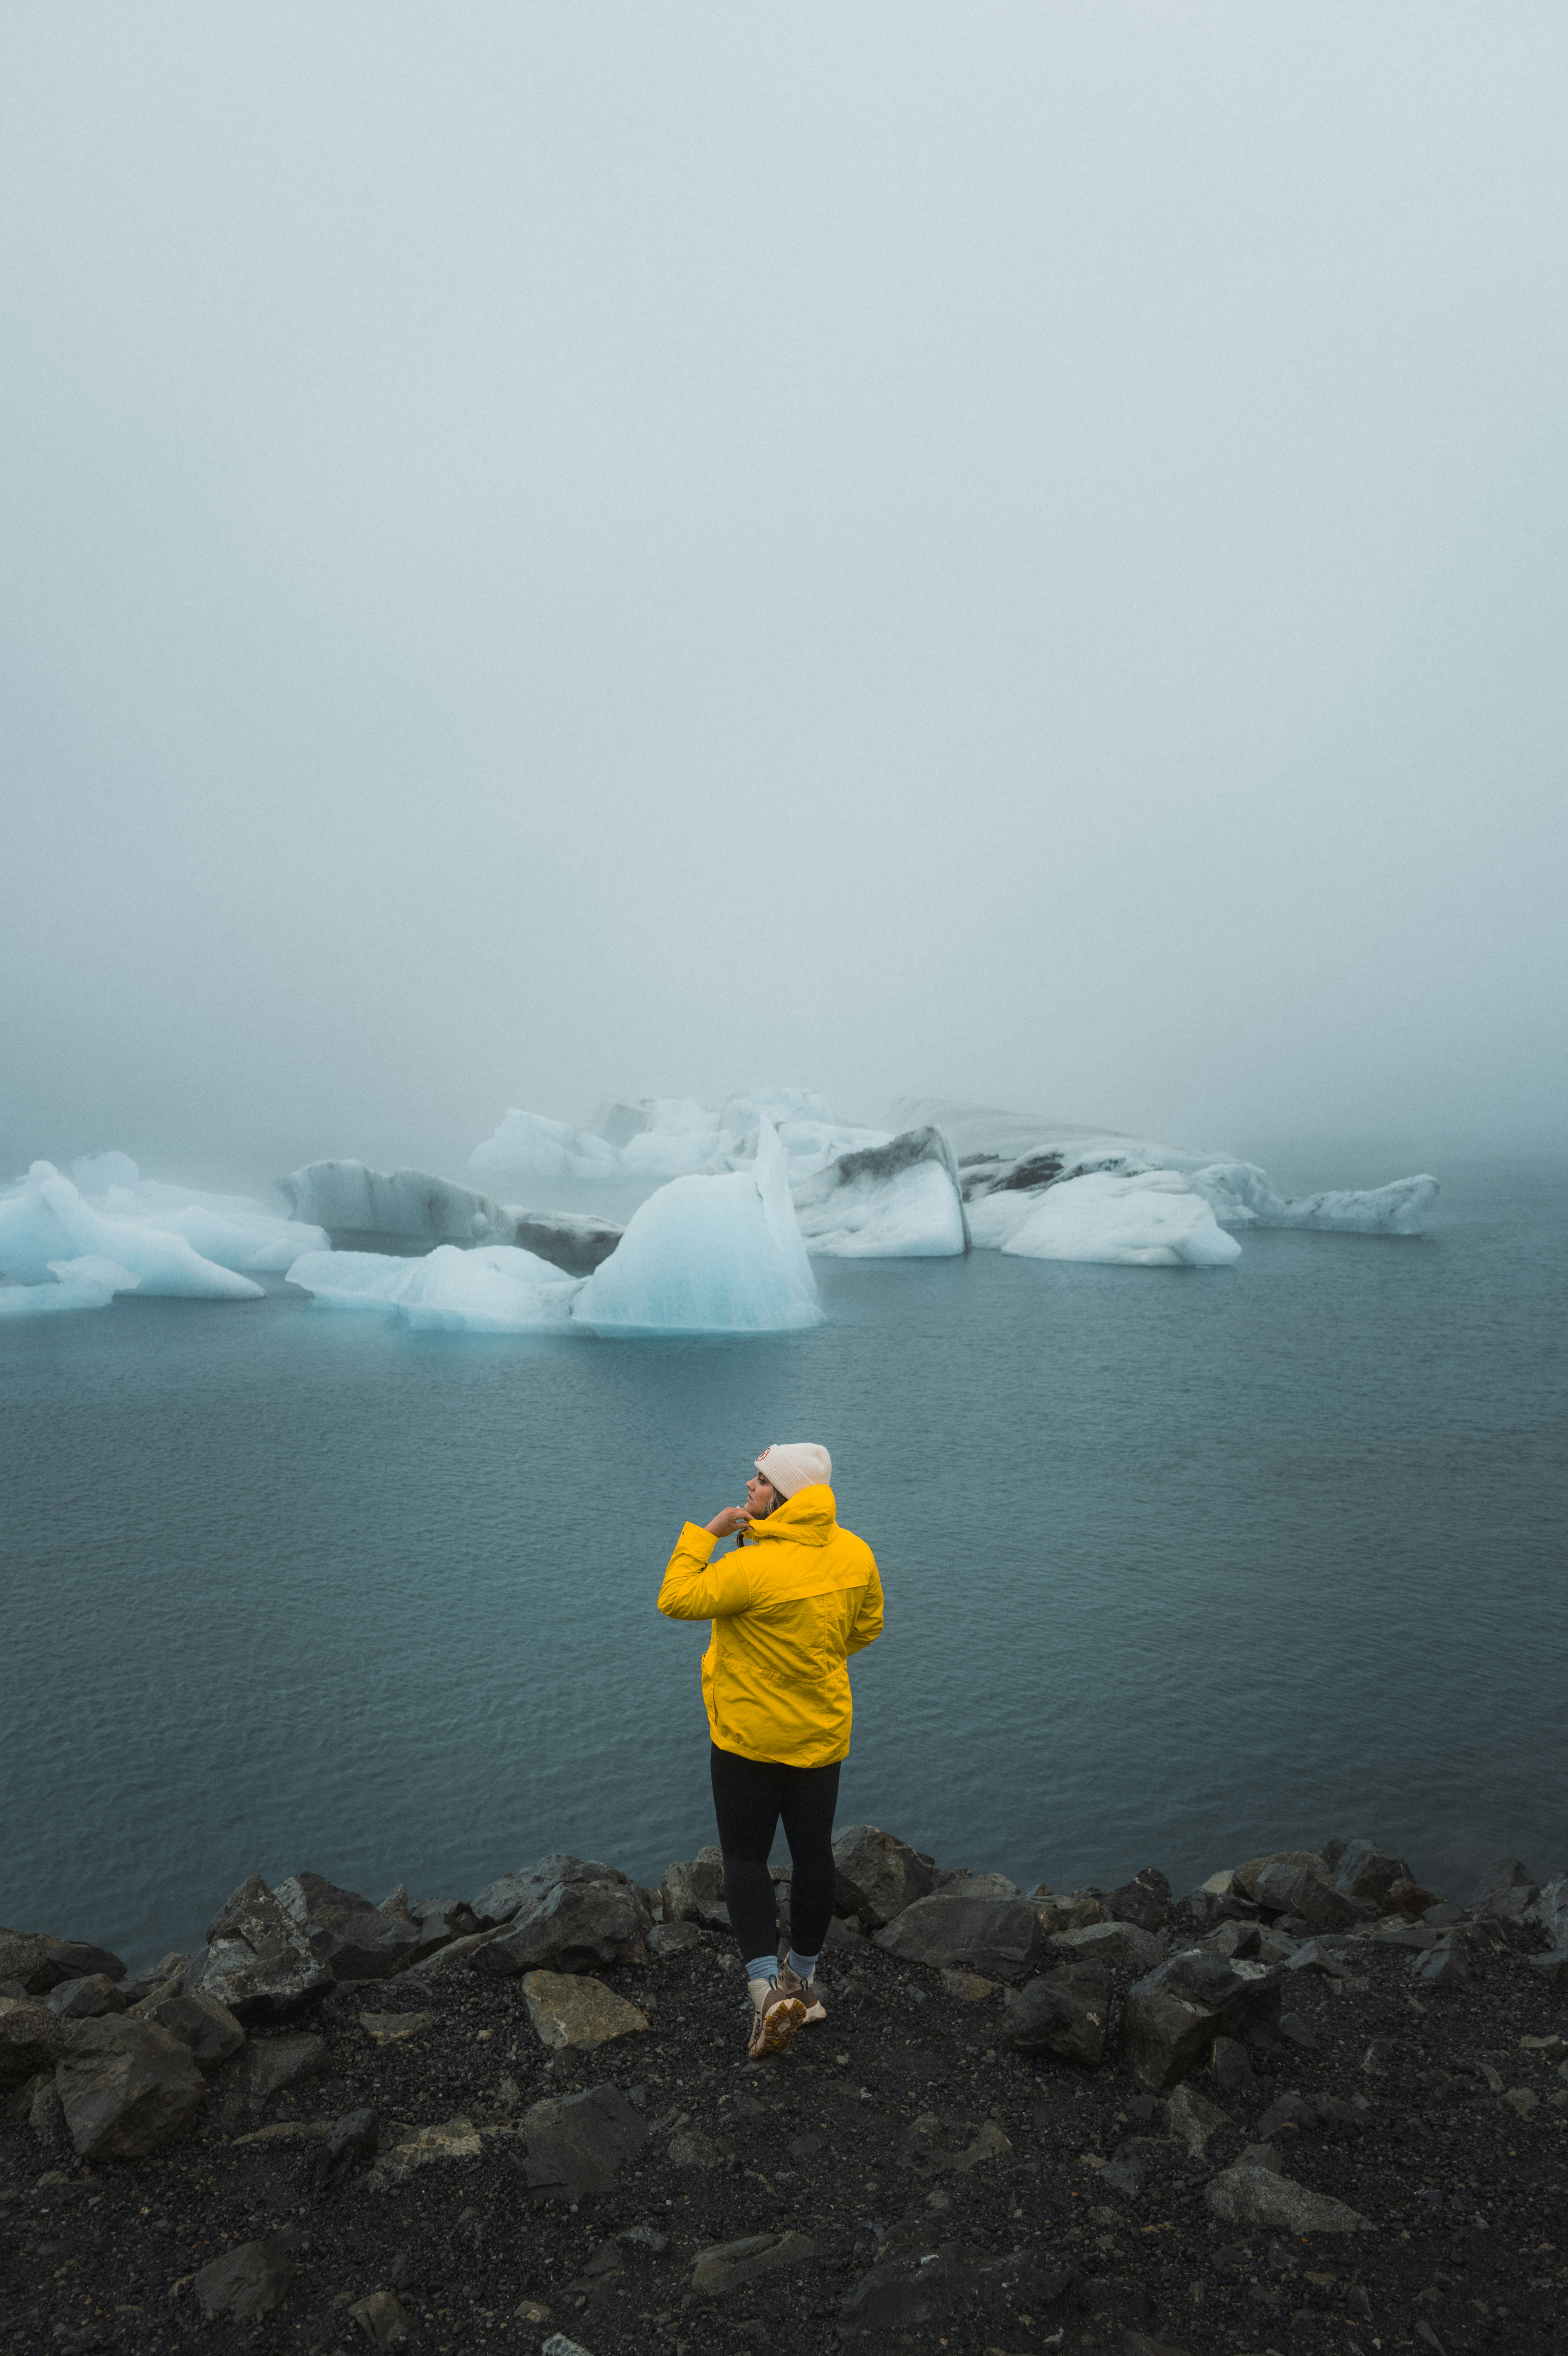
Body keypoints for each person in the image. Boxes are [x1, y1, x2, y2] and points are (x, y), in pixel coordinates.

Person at [657, 1442, 884, 2058]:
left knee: (746, 1858)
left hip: (748, 1740)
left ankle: (764, 1989)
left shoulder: (750, 1568)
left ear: (781, 1497)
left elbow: (675, 1597)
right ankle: (803, 1982)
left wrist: (707, 1532)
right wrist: (810, 1662)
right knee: (813, 1856)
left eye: (759, 1482)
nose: (750, 1487)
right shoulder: (855, 1553)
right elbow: (866, 1628)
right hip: (820, 1736)